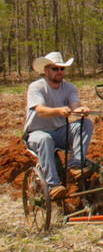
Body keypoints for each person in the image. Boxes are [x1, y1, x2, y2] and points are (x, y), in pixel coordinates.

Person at [23, 52, 93, 203]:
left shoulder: (69, 88)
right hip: (36, 133)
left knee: (85, 124)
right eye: (55, 69)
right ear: (46, 70)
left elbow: (75, 104)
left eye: (62, 69)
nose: (59, 72)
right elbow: (40, 110)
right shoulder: (36, 87)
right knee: (45, 139)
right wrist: (59, 110)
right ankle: (52, 185)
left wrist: (80, 110)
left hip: (60, 133)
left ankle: (76, 165)